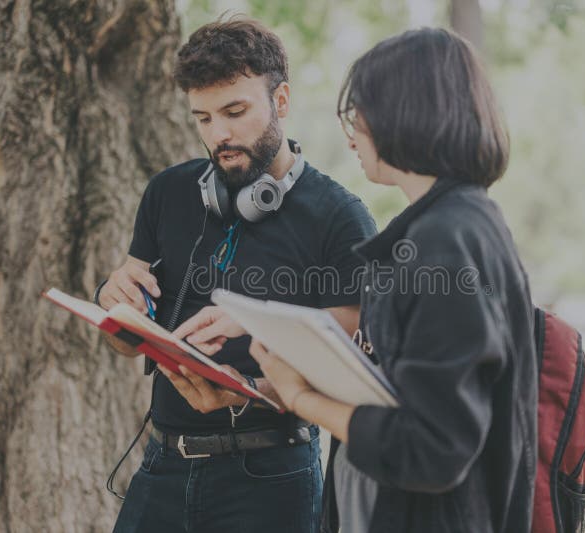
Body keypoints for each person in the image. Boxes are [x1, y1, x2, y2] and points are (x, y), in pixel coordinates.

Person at [169, 27, 538, 532]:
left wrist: (301, 400)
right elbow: (394, 386)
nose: (351, 133)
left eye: (358, 113)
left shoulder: (447, 243)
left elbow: (433, 448)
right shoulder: (454, 226)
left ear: (408, 113)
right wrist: (263, 337)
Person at [94, 16, 376, 533]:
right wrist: (119, 308)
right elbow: (127, 345)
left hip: (271, 480)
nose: (218, 134)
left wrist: (245, 391)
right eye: (202, 118)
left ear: (282, 102)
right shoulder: (166, 195)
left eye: (235, 111)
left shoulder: (342, 219)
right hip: (162, 468)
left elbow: (343, 376)